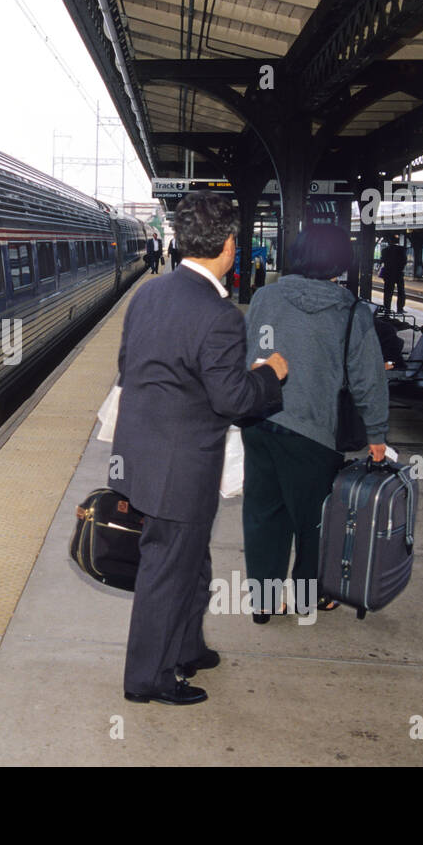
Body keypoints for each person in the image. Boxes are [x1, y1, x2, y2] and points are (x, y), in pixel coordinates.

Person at [111, 192, 288, 705]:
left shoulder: (148, 293)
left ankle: (187, 645)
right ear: (230, 245)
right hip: (180, 466)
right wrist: (269, 376)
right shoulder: (220, 314)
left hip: (142, 454)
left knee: (189, 560)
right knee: (166, 571)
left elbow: (131, 368)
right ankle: (150, 678)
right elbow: (232, 399)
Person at [243, 224, 389, 620]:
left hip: (260, 421)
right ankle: (310, 597)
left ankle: (264, 602)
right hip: (313, 433)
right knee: (315, 521)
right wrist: (376, 433)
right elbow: (368, 379)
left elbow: (247, 352)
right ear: (342, 261)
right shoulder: (352, 311)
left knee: (263, 515)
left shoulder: (265, 296)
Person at [380, 236, 407, 313]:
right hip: (398, 273)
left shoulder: (385, 251)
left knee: (388, 292)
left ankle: (387, 309)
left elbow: (382, 260)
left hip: (388, 274)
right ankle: (400, 309)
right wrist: (400, 268)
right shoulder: (401, 250)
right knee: (401, 292)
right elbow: (404, 261)